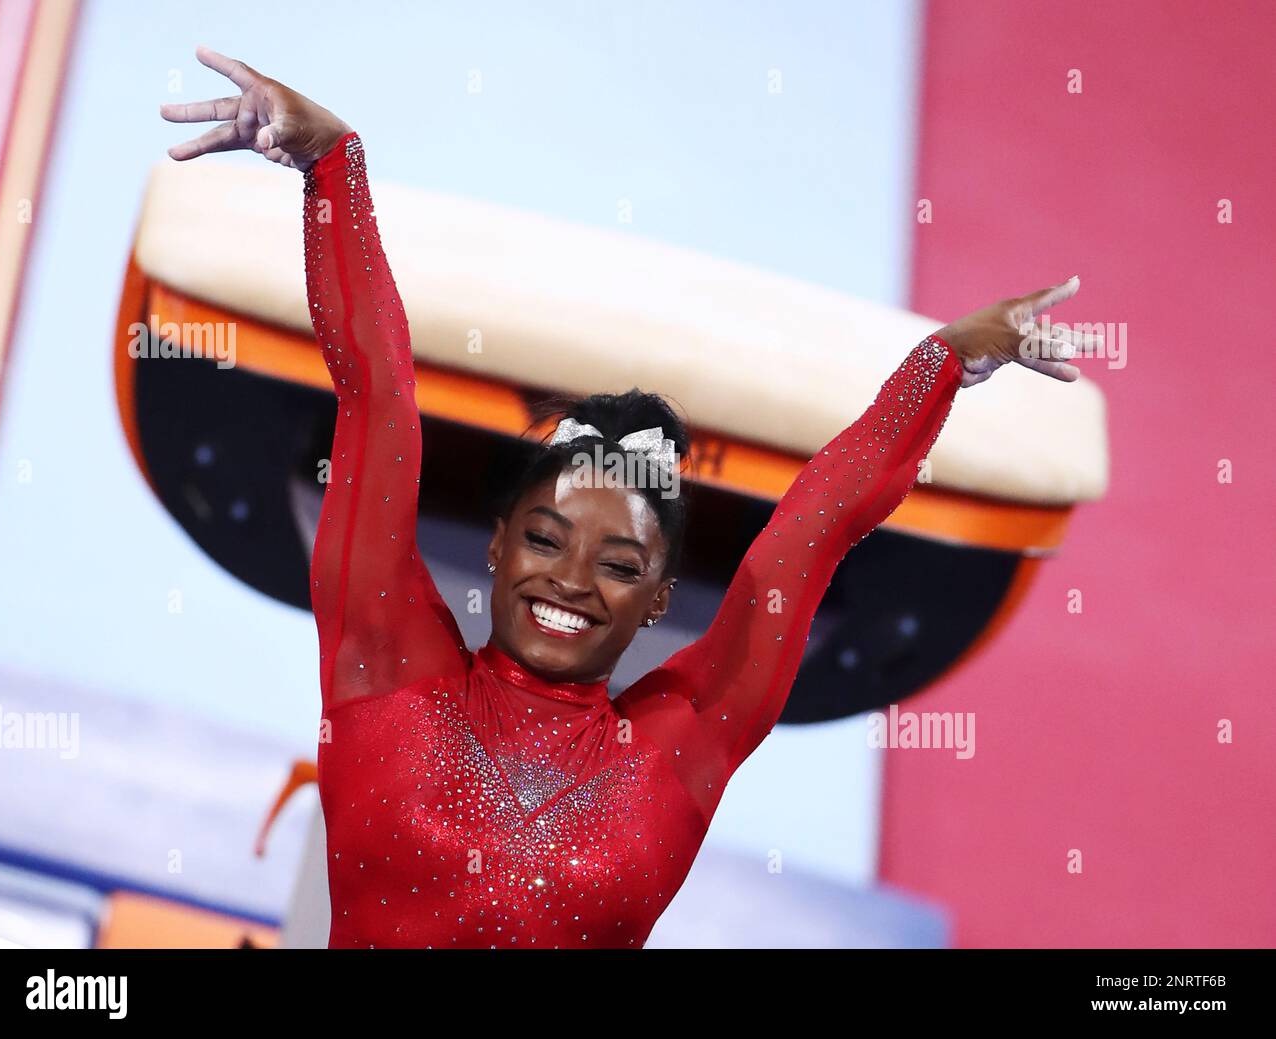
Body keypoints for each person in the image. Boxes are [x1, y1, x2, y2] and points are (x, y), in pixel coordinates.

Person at [161, 46, 1098, 948]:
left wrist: (943, 364)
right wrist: (334, 168)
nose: (572, 579)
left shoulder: (677, 748)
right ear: (497, 545)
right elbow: (379, 398)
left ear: (660, 601)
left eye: (619, 564)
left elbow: (802, 544)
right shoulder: (386, 658)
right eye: (547, 537)